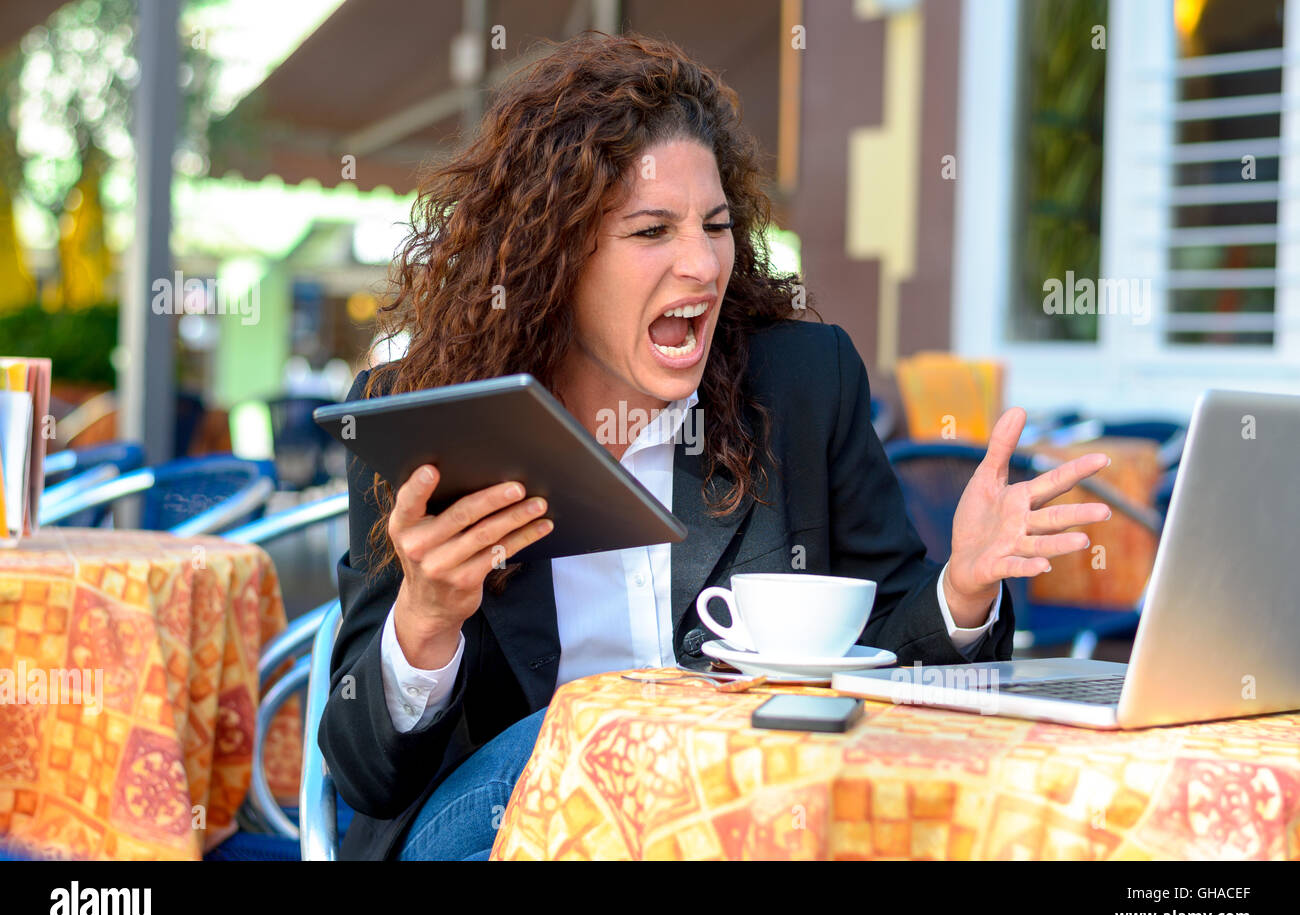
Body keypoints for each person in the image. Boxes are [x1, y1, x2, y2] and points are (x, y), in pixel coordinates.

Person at [318, 31, 1112, 861]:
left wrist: (964, 586)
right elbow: (365, 771)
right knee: (614, 731)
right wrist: (425, 620)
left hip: (744, 817)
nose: (701, 262)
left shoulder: (802, 385)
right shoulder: (425, 414)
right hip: (498, 820)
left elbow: (899, 650)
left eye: (717, 225)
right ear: (558, 256)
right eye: (653, 230)